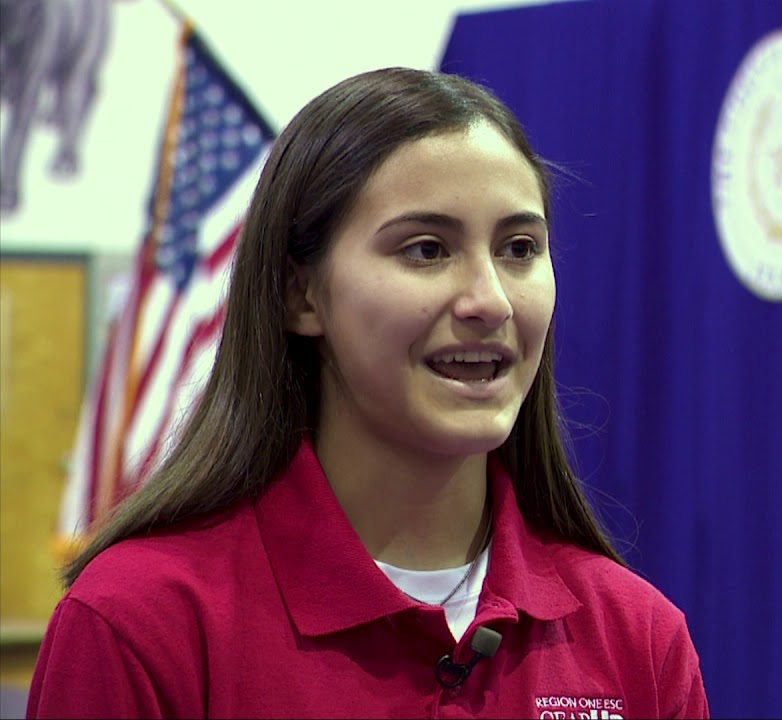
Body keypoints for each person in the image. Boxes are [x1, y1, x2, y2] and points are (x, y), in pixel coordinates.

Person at [26, 67, 709, 719]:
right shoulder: (137, 623)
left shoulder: (639, 640)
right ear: (301, 294)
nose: (491, 300)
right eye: (427, 249)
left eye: (520, 248)